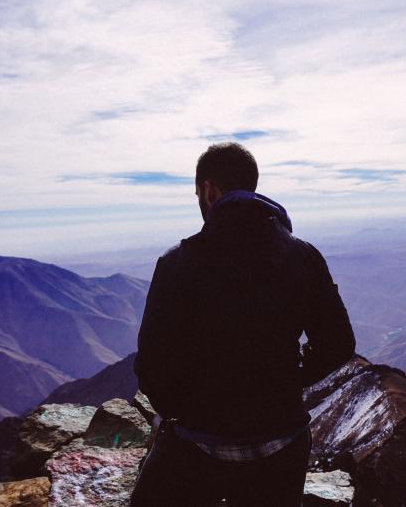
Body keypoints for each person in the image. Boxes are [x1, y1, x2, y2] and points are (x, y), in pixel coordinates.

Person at [130, 142, 356, 507]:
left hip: (197, 444)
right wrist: (288, 378)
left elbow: (151, 367)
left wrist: (187, 409)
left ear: (208, 190)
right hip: (281, 442)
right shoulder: (303, 255)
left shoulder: (177, 263)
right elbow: (339, 344)